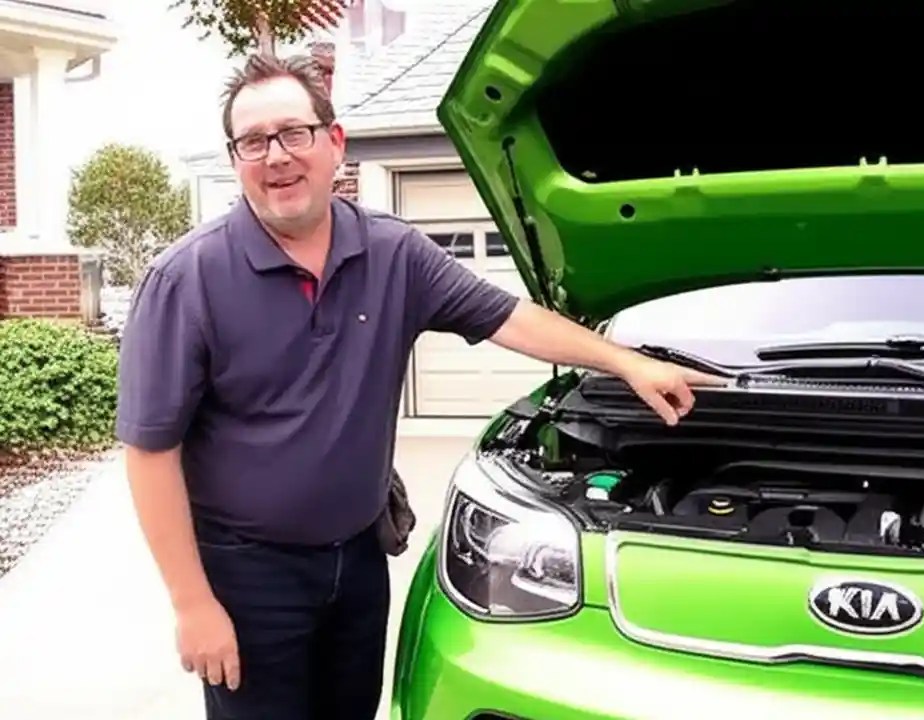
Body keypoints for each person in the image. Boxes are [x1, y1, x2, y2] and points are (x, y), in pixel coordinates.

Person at [114, 53, 723, 720]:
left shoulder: (393, 254)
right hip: (246, 578)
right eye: (253, 142)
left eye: (293, 133)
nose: (276, 156)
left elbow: (512, 318)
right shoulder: (187, 279)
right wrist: (193, 604)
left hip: (359, 563)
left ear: (334, 142)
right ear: (235, 159)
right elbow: (149, 453)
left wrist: (627, 362)